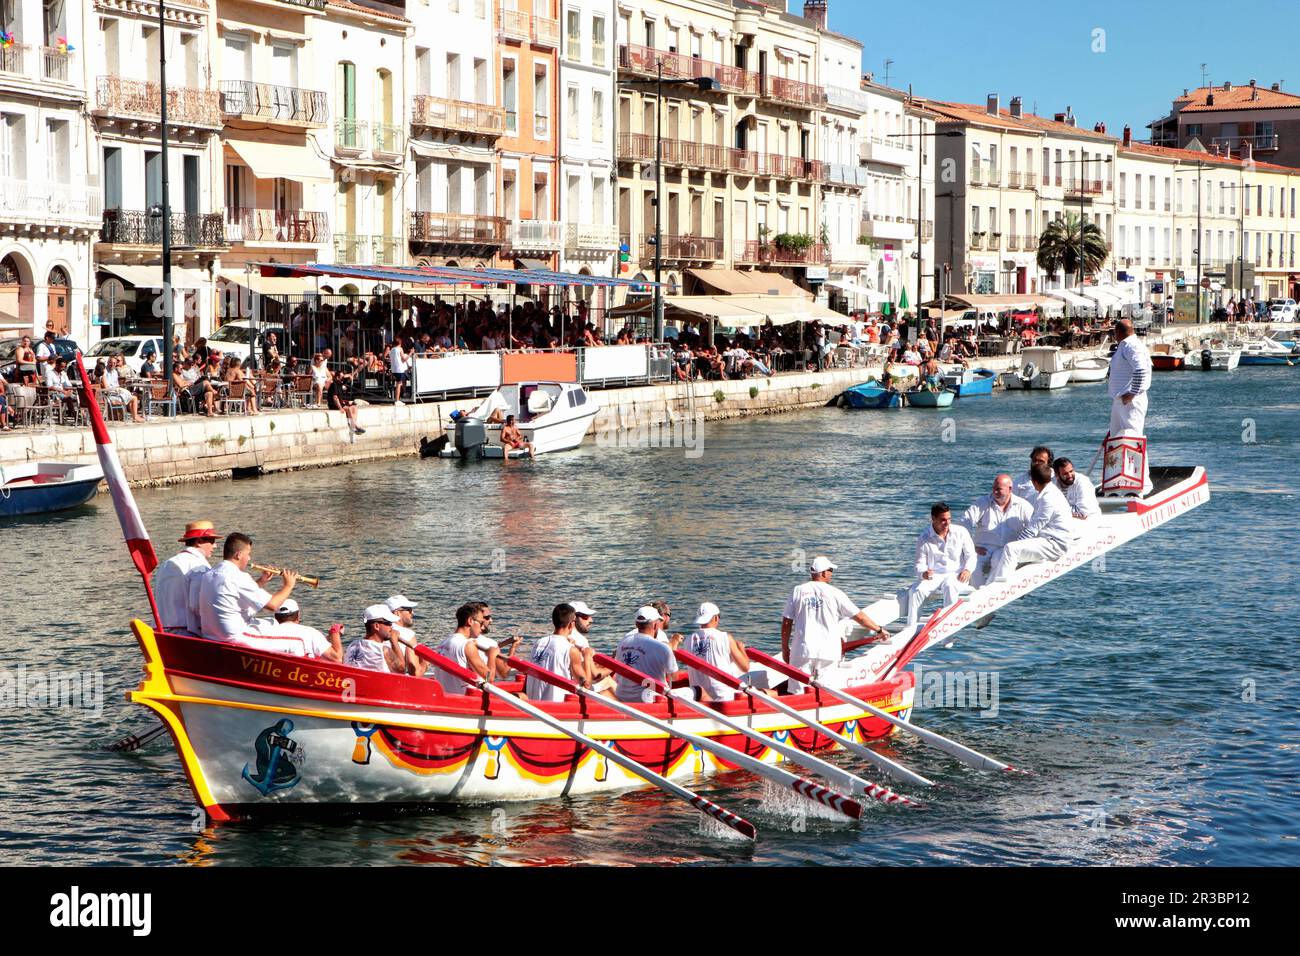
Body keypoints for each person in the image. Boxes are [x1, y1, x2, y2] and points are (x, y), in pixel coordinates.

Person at [781, 557, 888, 693]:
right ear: (824, 573)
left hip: (802, 650)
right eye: (831, 570)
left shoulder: (797, 590)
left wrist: (785, 648)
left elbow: (786, 623)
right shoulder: (835, 593)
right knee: (826, 692)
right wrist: (879, 630)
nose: (832, 573)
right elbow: (860, 617)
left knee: (797, 693)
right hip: (828, 652)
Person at [197, 533, 298, 644]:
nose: (249, 558)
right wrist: (288, 585)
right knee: (296, 640)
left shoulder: (210, 574)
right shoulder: (238, 576)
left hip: (211, 635)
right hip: (234, 636)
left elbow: (238, 592)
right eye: (248, 554)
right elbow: (273, 605)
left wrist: (262, 580)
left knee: (271, 622)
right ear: (239, 555)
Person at [986, 462, 1075, 583]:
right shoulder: (1048, 492)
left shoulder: (1048, 499)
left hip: (1055, 544)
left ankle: (999, 588)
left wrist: (1015, 544)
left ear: (1034, 482)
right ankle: (988, 585)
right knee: (998, 554)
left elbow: (1033, 529)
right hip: (1046, 538)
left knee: (1010, 549)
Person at [905, 503, 977, 626]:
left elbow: (971, 555)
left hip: (956, 574)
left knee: (950, 586)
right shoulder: (924, 537)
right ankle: (911, 629)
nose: (947, 523)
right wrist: (924, 573)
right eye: (943, 520)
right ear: (933, 519)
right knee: (916, 591)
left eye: (949, 519)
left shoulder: (961, 532)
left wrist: (967, 570)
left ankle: (948, 628)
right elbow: (919, 564)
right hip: (935, 575)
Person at [1106, 318, 1153, 495]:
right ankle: (1118, 476)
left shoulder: (1130, 346)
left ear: (1118, 332)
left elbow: (1140, 370)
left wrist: (1132, 393)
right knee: (1116, 437)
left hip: (1130, 401)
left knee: (1133, 437)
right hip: (1121, 400)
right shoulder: (1128, 345)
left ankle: (1142, 482)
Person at [961, 474, 1034, 585]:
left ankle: (990, 592)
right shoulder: (983, 502)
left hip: (1007, 549)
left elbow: (1034, 526)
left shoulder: (1023, 505)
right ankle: (980, 595)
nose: (994, 492)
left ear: (1010, 489)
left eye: (998, 489)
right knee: (973, 566)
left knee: (999, 562)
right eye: (993, 488)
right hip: (983, 547)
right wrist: (970, 546)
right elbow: (965, 521)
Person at [431, 602, 515, 694]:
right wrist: (491, 655)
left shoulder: (443, 642)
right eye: (481, 623)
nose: (482, 627)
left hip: (446, 696)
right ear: (470, 621)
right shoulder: (467, 645)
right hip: (463, 700)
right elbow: (489, 678)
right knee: (522, 697)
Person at [153, 520, 219, 635]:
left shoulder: (166, 564)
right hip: (187, 631)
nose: (215, 546)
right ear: (199, 541)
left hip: (160, 630)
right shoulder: (199, 565)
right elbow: (197, 605)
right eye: (212, 541)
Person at [523, 604, 590, 702]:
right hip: (556, 708)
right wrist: (587, 656)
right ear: (571, 624)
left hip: (534, 704)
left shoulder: (538, 643)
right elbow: (586, 685)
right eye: (575, 621)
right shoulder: (571, 650)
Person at [686, 603, 751, 702]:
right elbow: (745, 667)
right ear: (716, 618)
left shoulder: (688, 640)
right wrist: (741, 648)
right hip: (724, 699)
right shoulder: (725, 638)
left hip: (700, 698)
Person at [612, 606, 678, 703]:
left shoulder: (623, 642)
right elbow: (674, 677)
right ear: (656, 625)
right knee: (700, 692)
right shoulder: (663, 647)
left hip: (622, 697)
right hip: (648, 700)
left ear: (636, 624)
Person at [257, 599, 344, 661]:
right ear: (298, 615)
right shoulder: (310, 633)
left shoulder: (265, 631)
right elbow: (336, 658)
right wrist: (335, 632)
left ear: (276, 617)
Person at [342, 604, 408, 672]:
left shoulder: (352, 645)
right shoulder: (384, 650)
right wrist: (394, 641)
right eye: (388, 623)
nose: (391, 627)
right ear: (376, 626)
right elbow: (401, 670)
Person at [326, 366, 365, 434]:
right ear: (337, 377)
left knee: (354, 407)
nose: (343, 378)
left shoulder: (340, 384)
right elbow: (335, 398)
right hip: (333, 404)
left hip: (340, 403)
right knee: (349, 409)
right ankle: (355, 426)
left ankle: (353, 424)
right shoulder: (334, 385)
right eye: (342, 377)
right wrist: (340, 408)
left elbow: (348, 376)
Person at [388, 338, 409, 405]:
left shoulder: (391, 350)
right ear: (400, 343)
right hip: (399, 369)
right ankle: (397, 400)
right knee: (399, 384)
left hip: (394, 369)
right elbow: (404, 359)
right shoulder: (400, 349)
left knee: (397, 384)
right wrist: (410, 353)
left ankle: (397, 399)